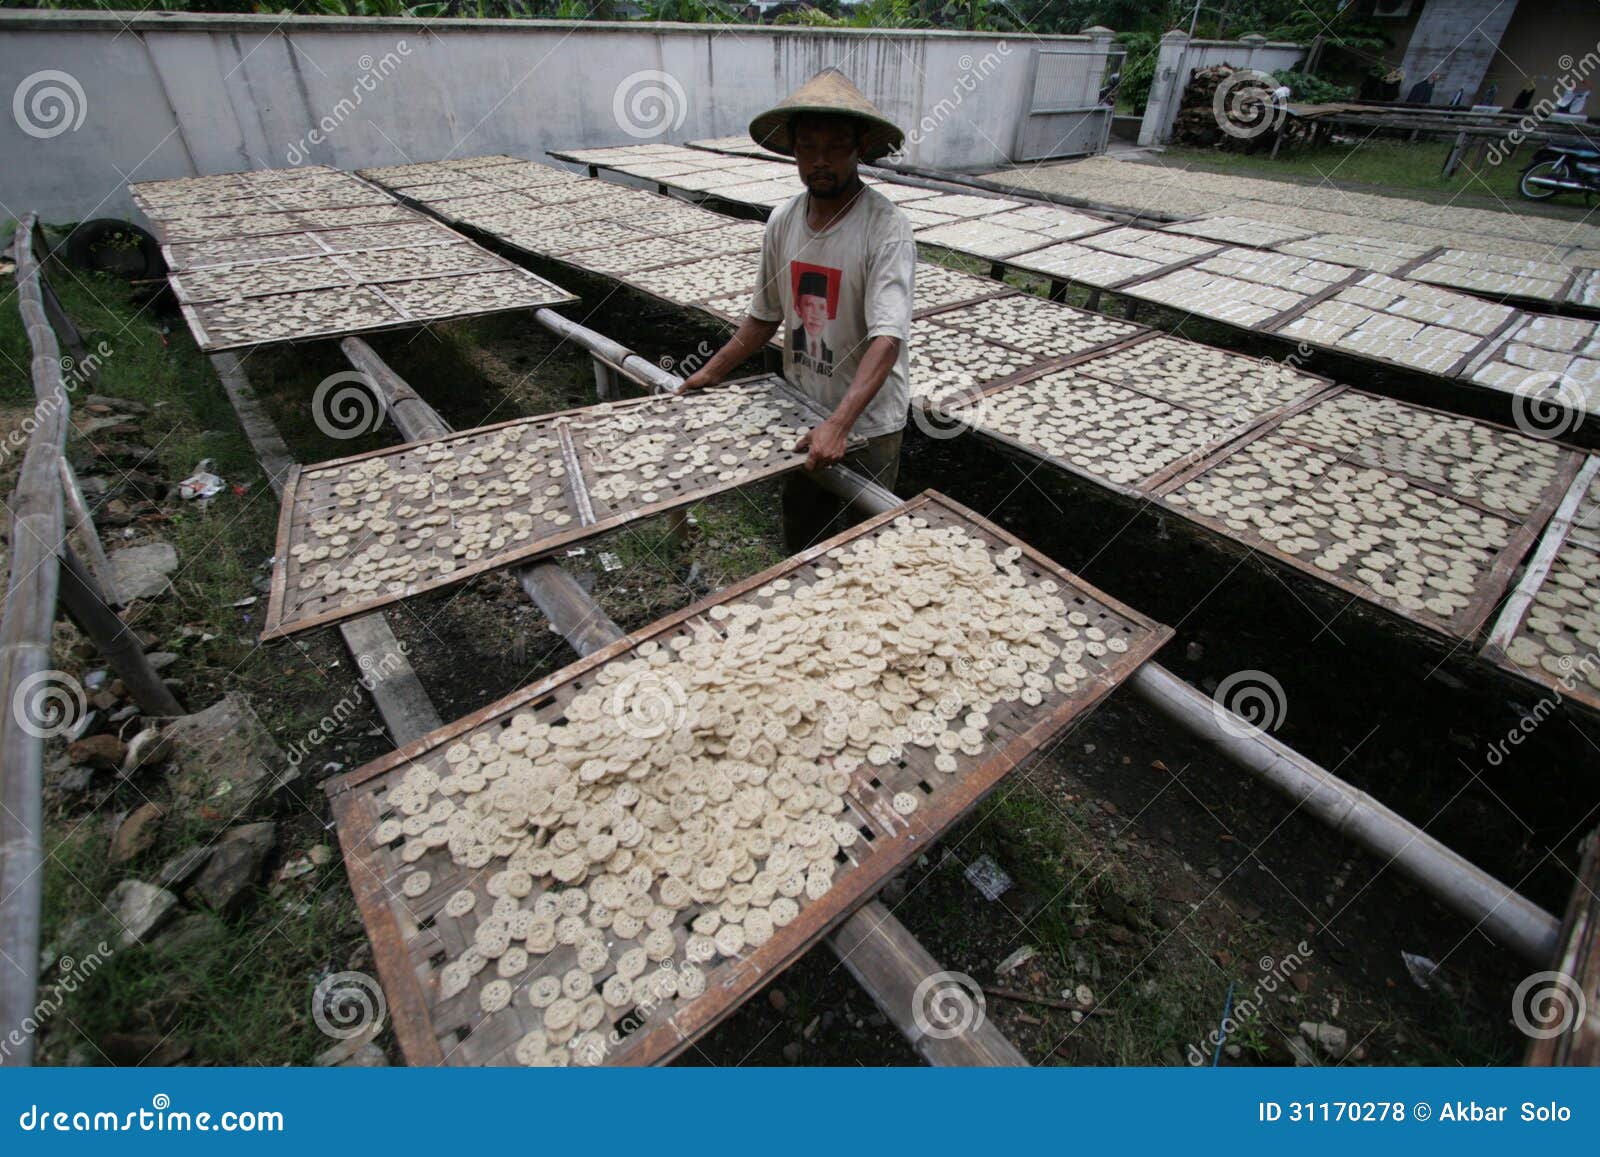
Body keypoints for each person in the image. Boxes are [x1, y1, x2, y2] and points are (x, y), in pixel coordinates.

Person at [678, 68, 914, 554]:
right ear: (793, 149)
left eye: (835, 147)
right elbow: (765, 316)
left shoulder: (884, 228)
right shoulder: (784, 220)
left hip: (867, 426)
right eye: (808, 147)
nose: (820, 161)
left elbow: (887, 338)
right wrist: (712, 372)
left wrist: (840, 424)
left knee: (860, 551)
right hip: (800, 412)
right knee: (802, 537)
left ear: (860, 148)